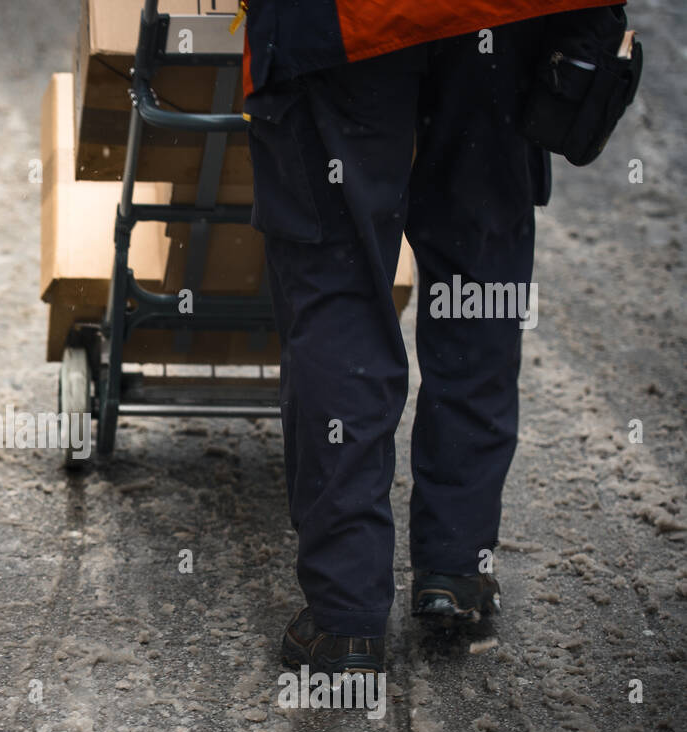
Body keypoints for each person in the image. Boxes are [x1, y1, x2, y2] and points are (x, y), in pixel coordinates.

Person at [238, 0, 626, 674]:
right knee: (478, 278)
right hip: (504, 20)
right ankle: (457, 568)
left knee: (341, 290)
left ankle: (345, 617)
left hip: (342, 24)